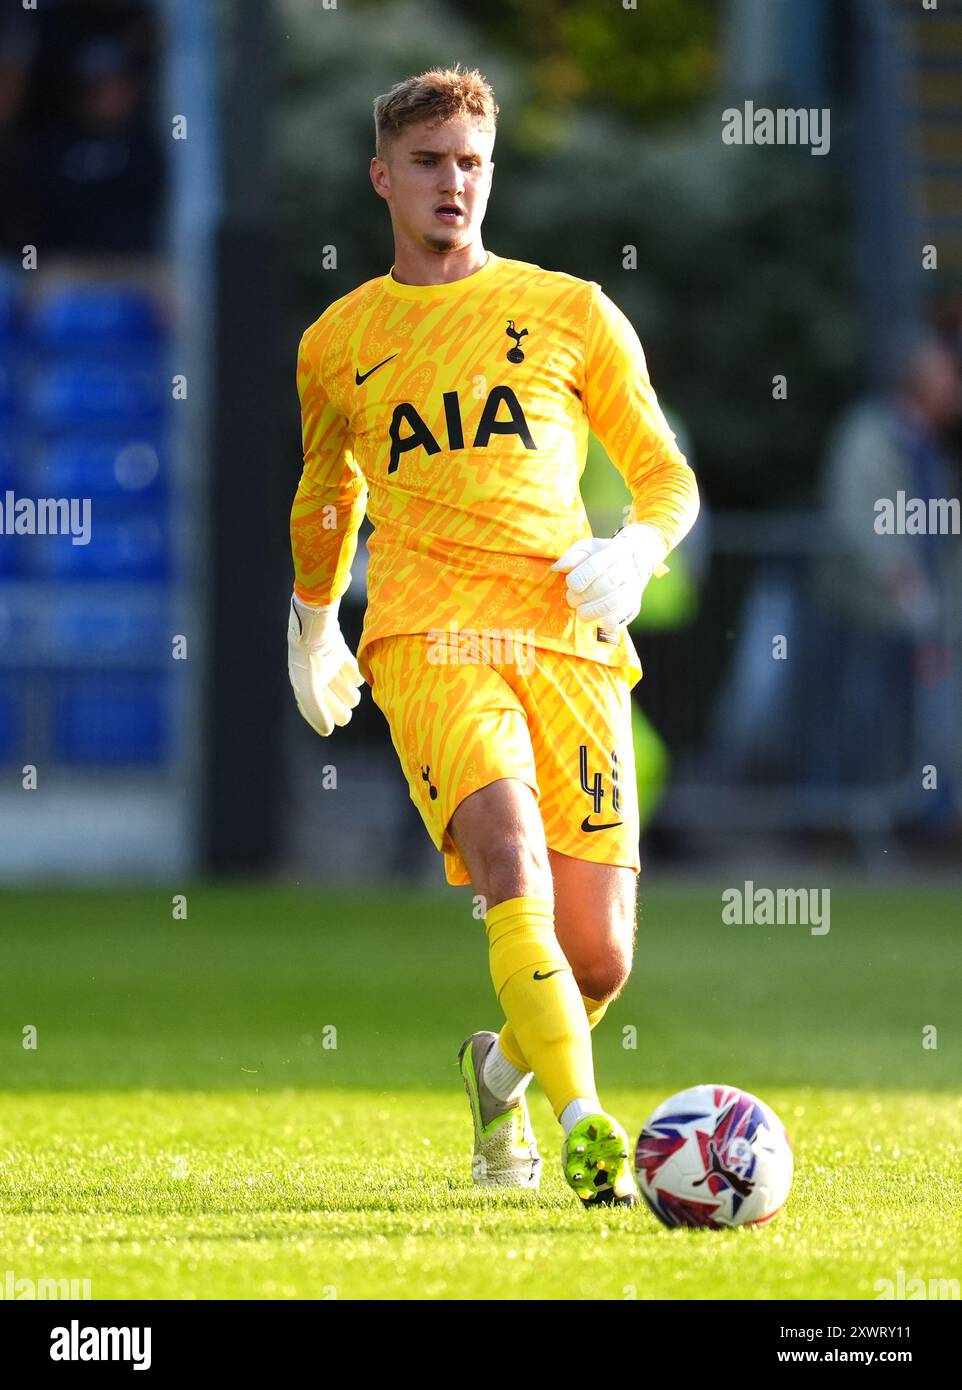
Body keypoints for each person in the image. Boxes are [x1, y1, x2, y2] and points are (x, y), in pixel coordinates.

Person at [287, 67, 698, 1207]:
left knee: (599, 956)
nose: (452, 182)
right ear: (382, 177)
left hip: (566, 639)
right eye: (427, 162)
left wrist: (635, 551)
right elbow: (330, 491)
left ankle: (499, 1070)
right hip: (427, 638)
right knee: (507, 853)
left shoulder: (572, 311)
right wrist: (315, 618)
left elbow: (665, 475)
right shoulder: (340, 340)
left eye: (470, 161)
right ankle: (585, 1124)